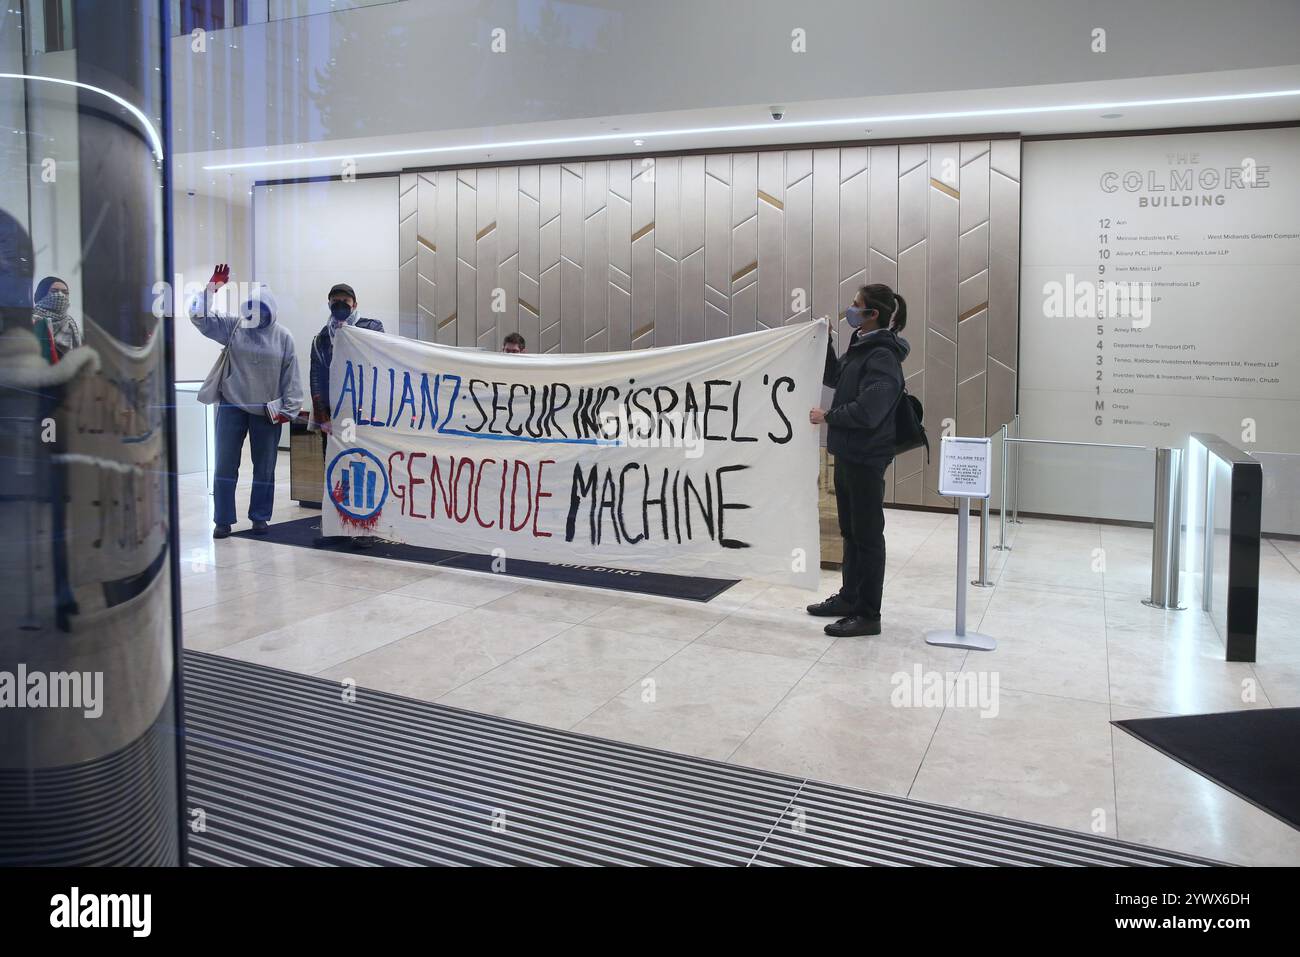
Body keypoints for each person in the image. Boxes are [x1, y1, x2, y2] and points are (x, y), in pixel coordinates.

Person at [806, 283, 908, 637]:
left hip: (866, 457)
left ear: (872, 314)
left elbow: (870, 410)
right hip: (848, 453)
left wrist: (829, 416)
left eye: (855, 306)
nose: (849, 310)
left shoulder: (883, 356)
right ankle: (849, 597)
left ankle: (868, 614)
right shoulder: (861, 347)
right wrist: (827, 343)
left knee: (867, 535)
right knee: (850, 531)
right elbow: (836, 377)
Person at [191, 263, 301, 539]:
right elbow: (199, 317)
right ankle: (223, 520)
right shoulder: (234, 326)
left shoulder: (283, 337)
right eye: (250, 307)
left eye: (261, 309)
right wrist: (212, 288)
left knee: (265, 467)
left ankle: (260, 517)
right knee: (225, 465)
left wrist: (289, 409)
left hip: (267, 411)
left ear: (271, 311)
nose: (255, 313)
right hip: (232, 406)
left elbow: (292, 376)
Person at [310, 282, 384, 548]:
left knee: (362, 468)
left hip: (363, 414)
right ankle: (339, 525)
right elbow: (316, 377)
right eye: (335, 301)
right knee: (336, 470)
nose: (340, 305)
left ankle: (364, 528)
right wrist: (322, 416)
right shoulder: (321, 338)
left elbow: (379, 356)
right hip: (334, 416)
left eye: (345, 300)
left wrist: (348, 333)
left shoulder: (371, 327)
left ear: (355, 303)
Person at [31, 276, 81, 363]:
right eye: (54, 291)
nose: (60, 295)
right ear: (42, 294)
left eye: (65, 292)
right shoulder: (32, 321)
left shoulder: (70, 322)